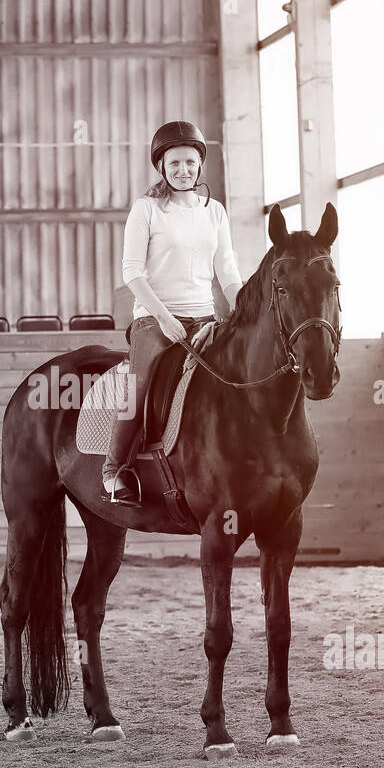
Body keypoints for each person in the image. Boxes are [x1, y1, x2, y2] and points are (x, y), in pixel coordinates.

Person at [102, 120, 245, 505]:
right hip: (155, 318)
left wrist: (244, 307)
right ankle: (114, 470)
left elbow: (227, 271)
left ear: (200, 166)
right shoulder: (147, 210)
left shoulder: (214, 212)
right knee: (142, 380)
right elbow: (132, 271)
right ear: (162, 168)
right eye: (175, 163)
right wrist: (165, 318)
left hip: (205, 319)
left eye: (190, 162)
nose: (183, 170)